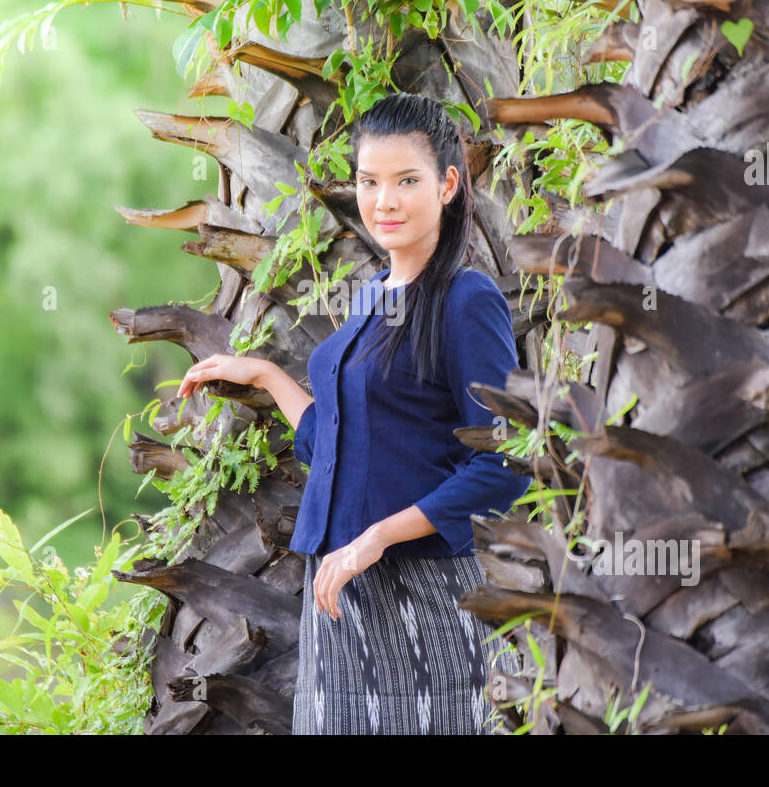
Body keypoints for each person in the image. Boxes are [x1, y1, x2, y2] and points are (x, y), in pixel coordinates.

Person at [176, 92, 530, 734]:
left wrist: (378, 537)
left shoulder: (465, 299)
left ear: (448, 185)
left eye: (406, 181)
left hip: (421, 589)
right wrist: (264, 375)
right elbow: (346, 445)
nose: (384, 201)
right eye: (369, 182)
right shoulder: (375, 296)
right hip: (340, 590)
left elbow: (506, 460)